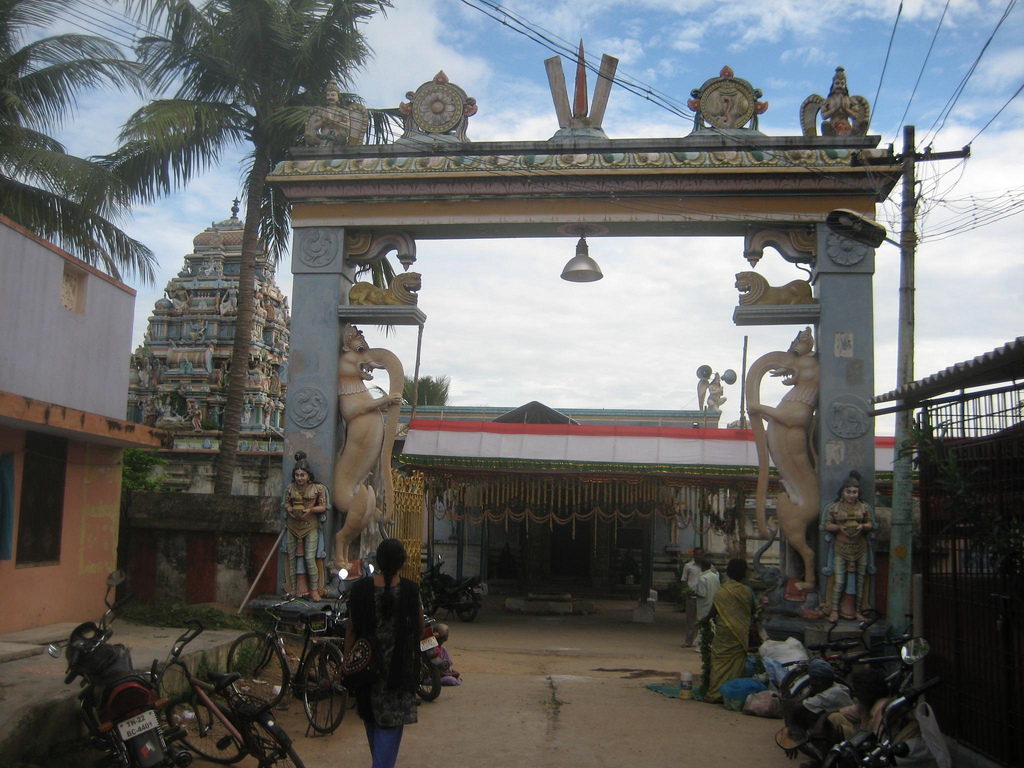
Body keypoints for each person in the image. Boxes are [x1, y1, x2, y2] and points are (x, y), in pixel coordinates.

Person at [345, 539, 424, 768]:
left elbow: (351, 628)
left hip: (366, 671)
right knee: (389, 728)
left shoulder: (360, 589)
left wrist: (346, 660)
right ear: (402, 562)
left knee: (371, 721)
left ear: (377, 561)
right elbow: (419, 628)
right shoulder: (410, 590)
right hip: (397, 675)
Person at [821, 471, 875, 622]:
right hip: (841, 547)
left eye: (855, 492)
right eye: (849, 492)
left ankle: (858, 610)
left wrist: (862, 526)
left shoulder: (863, 508)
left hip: (860, 547)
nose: (852, 495)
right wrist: (839, 528)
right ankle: (835, 610)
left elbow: (870, 524)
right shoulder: (835, 508)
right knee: (839, 580)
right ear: (843, 492)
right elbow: (827, 525)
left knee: (860, 580)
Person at [703, 558, 756, 703]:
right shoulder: (747, 592)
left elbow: (712, 612)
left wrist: (704, 620)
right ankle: (731, 694)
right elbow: (752, 611)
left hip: (724, 634)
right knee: (737, 663)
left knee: (719, 662)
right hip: (740, 633)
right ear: (744, 574)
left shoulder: (723, 591)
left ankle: (715, 693)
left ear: (728, 572)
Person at [283, 452, 326, 601]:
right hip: (293, 525)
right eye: (297, 475)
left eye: (302, 475)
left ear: (308, 475)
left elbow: (323, 507)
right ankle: (293, 588)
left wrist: (311, 510)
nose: (300, 478)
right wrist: (288, 508)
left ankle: (314, 590)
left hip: (310, 525)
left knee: (309, 558)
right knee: (292, 558)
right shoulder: (290, 488)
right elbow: (286, 502)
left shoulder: (317, 489)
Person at [691, 558, 720, 651]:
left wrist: (692, 593)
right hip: (713, 603)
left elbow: (702, 594)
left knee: (703, 625)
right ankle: (709, 644)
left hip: (704, 605)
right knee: (711, 625)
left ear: (701, 566)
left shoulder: (702, 578)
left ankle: (701, 646)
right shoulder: (715, 576)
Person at [680, 546, 705, 647]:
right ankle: (688, 641)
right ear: (693, 554)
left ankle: (702, 641)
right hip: (691, 597)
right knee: (691, 620)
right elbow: (683, 580)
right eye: (696, 554)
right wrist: (688, 591)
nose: (697, 556)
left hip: (703, 597)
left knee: (703, 619)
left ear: (703, 555)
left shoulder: (707, 567)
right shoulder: (688, 566)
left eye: (700, 554)